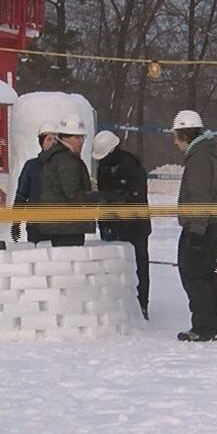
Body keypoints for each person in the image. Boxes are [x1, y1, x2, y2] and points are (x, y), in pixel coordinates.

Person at [173, 109, 217, 342]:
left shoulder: (198, 158)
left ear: (184, 135)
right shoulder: (206, 153)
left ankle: (204, 328)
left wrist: (196, 232)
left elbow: (199, 196)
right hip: (215, 223)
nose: (174, 141)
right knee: (206, 271)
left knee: (193, 274)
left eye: (176, 136)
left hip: (202, 225)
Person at [92, 129, 151, 318]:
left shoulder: (132, 166)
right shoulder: (104, 167)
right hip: (111, 223)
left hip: (134, 225)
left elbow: (135, 197)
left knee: (138, 265)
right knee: (113, 265)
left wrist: (111, 199)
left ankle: (141, 304)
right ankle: (118, 302)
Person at [31, 117, 97, 247]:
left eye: (82, 137)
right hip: (69, 224)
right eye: (77, 137)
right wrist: (95, 197)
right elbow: (72, 193)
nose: (82, 142)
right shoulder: (67, 160)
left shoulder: (57, 156)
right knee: (71, 260)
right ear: (65, 138)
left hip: (61, 223)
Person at [10, 131, 56, 244]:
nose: (54, 142)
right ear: (42, 142)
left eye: (56, 139)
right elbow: (21, 195)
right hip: (36, 224)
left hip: (59, 224)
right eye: (49, 139)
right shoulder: (32, 166)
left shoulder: (66, 166)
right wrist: (16, 222)